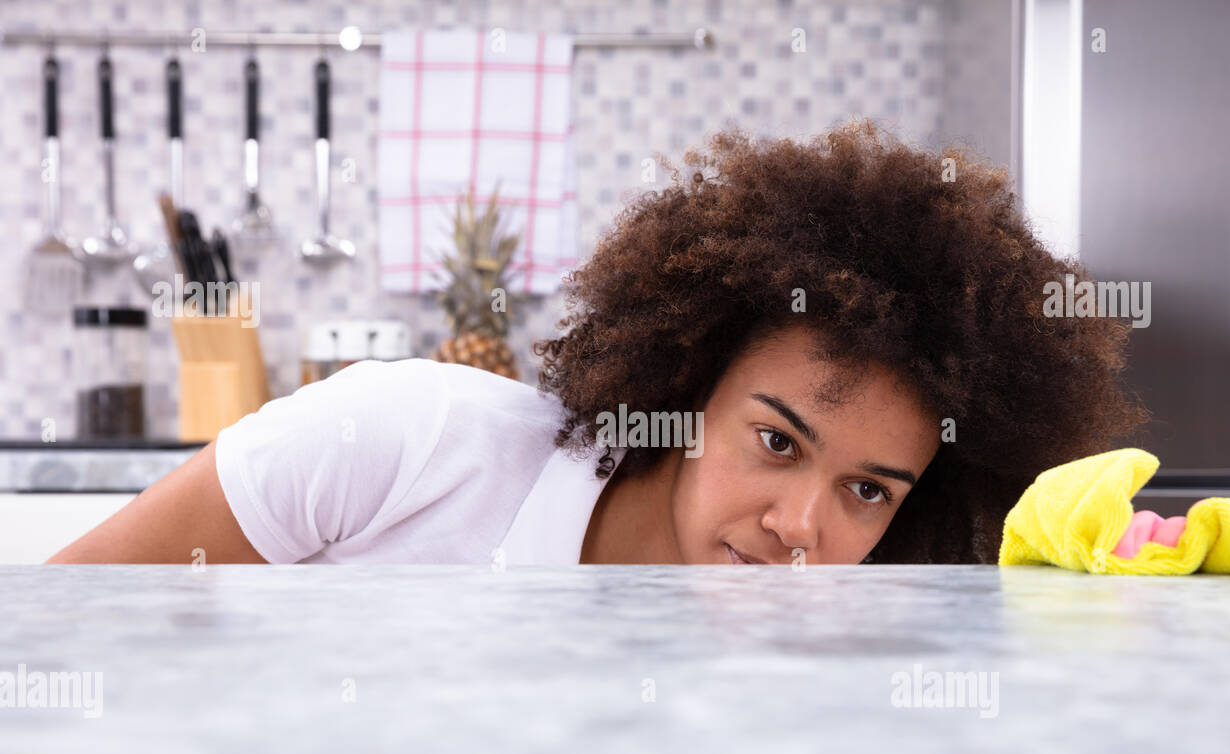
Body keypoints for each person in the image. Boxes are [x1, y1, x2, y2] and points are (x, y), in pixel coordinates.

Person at [47, 118, 1149, 566]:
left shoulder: (823, 649)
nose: (800, 528)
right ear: (689, 379)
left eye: (869, 490)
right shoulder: (402, 439)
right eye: (776, 441)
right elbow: (67, 621)